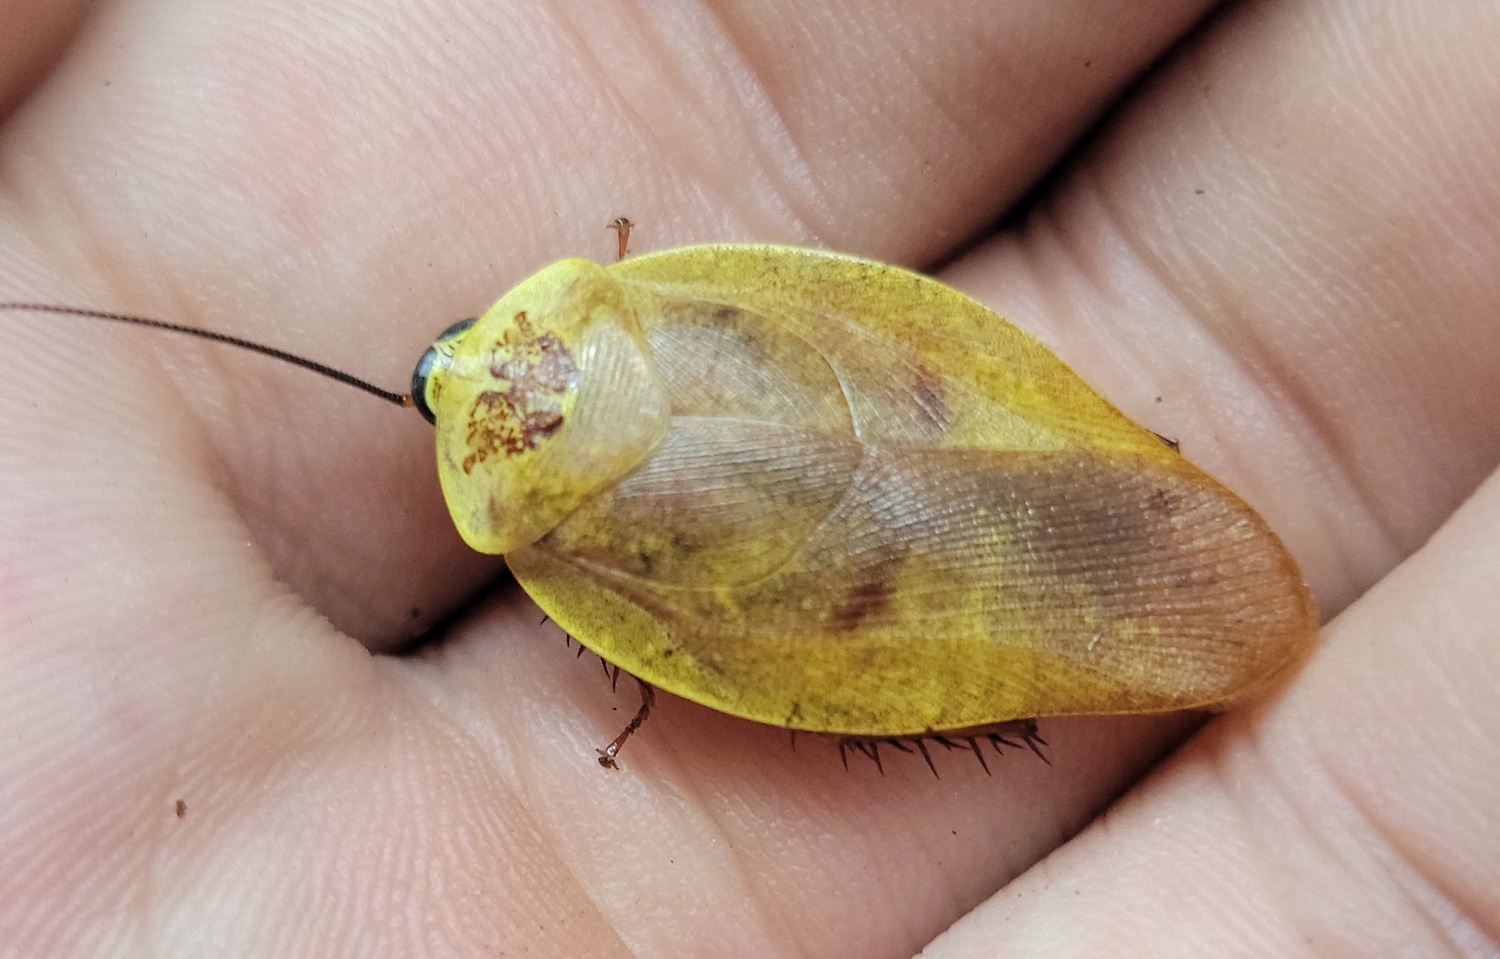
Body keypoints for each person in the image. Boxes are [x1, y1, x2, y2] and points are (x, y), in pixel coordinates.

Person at [1, 3, 1495, 956]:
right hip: (851, 399)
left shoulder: (552, 559)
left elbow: (688, 653)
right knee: (940, 410)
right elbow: (866, 320)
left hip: (852, 558)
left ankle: (1132, 591)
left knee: (847, 627)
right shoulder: (629, 298)